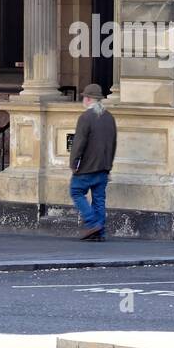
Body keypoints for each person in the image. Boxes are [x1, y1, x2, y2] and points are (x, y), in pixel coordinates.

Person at [69, 82, 117, 241]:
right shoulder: (109, 117)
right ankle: (100, 233)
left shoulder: (85, 117)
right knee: (99, 199)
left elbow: (79, 143)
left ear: (89, 99)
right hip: (103, 166)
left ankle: (92, 223)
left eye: (84, 98)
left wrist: (74, 164)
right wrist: (108, 166)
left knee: (76, 192)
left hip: (87, 167)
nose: (83, 100)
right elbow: (113, 143)